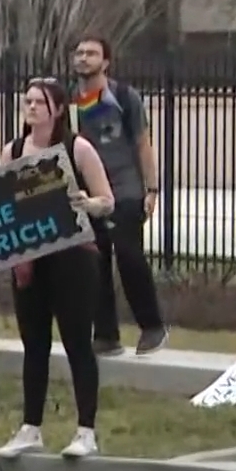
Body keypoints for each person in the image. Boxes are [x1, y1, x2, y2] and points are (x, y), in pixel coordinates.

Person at [0, 79, 118, 460]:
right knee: (35, 344)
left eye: (39, 102)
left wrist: (87, 203)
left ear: (58, 108)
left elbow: (107, 201)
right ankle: (31, 427)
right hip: (30, 258)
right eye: (27, 100)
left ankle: (86, 431)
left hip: (73, 256)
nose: (31, 107)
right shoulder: (13, 149)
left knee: (78, 342)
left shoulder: (77, 148)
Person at [70, 36, 168, 356]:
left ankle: (152, 326)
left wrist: (151, 189)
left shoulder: (124, 97)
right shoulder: (70, 102)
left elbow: (142, 143)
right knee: (93, 262)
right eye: (80, 53)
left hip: (124, 189)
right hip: (87, 193)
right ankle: (106, 334)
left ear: (106, 61)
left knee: (129, 256)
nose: (84, 58)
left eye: (92, 53)